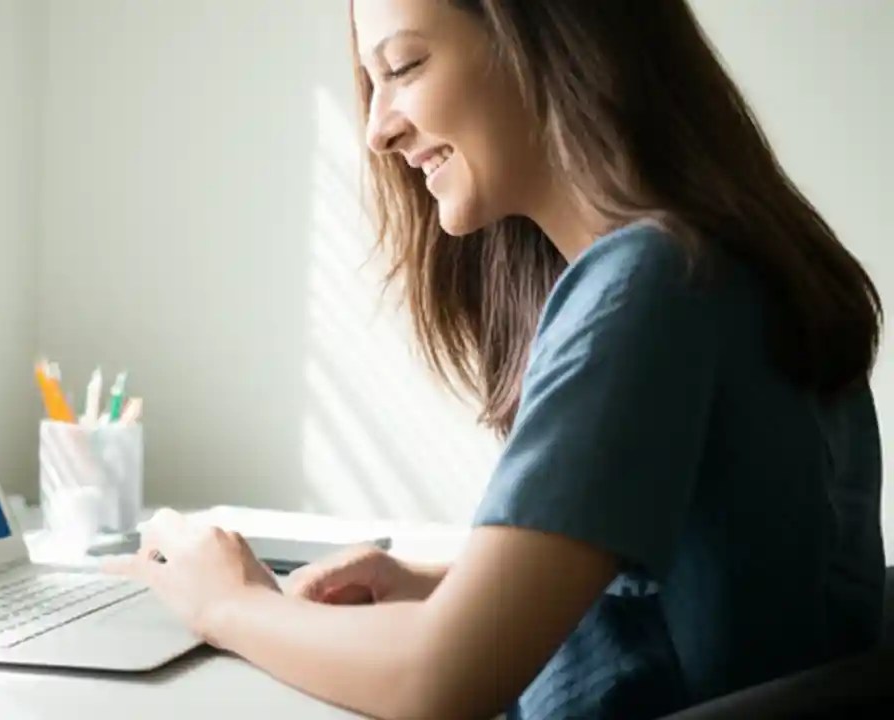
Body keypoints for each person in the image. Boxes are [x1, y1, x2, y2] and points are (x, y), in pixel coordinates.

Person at [105, 1, 886, 718]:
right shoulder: (732, 263)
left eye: (405, 68)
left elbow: (441, 678)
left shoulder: (650, 285)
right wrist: (450, 583)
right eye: (371, 83)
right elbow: (725, 578)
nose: (377, 130)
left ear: (549, 36)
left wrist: (229, 604)